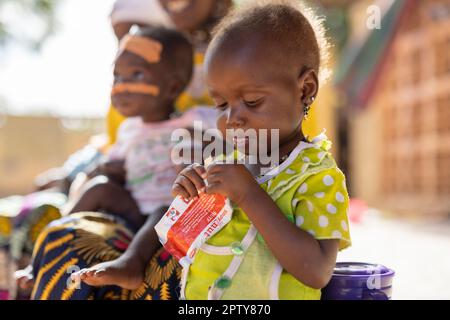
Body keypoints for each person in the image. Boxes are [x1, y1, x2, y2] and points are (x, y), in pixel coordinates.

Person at [171, 0, 351, 300]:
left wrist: (248, 194)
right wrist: (189, 197)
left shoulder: (318, 177)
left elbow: (317, 270)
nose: (232, 119)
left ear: (305, 89)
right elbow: (187, 250)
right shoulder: (224, 163)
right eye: (221, 104)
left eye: (252, 101)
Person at [29, 26, 216, 300]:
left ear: (173, 86)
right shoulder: (129, 130)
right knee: (99, 187)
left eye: (136, 75)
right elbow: (112, 165)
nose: (121, 85)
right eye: (117, 75)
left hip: (166, 216)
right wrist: (103, 171)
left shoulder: (193, 121)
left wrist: (199, 149)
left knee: (161, 210)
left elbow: (229, 139)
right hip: (130, 209)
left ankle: (131, 264)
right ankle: (45, 253)